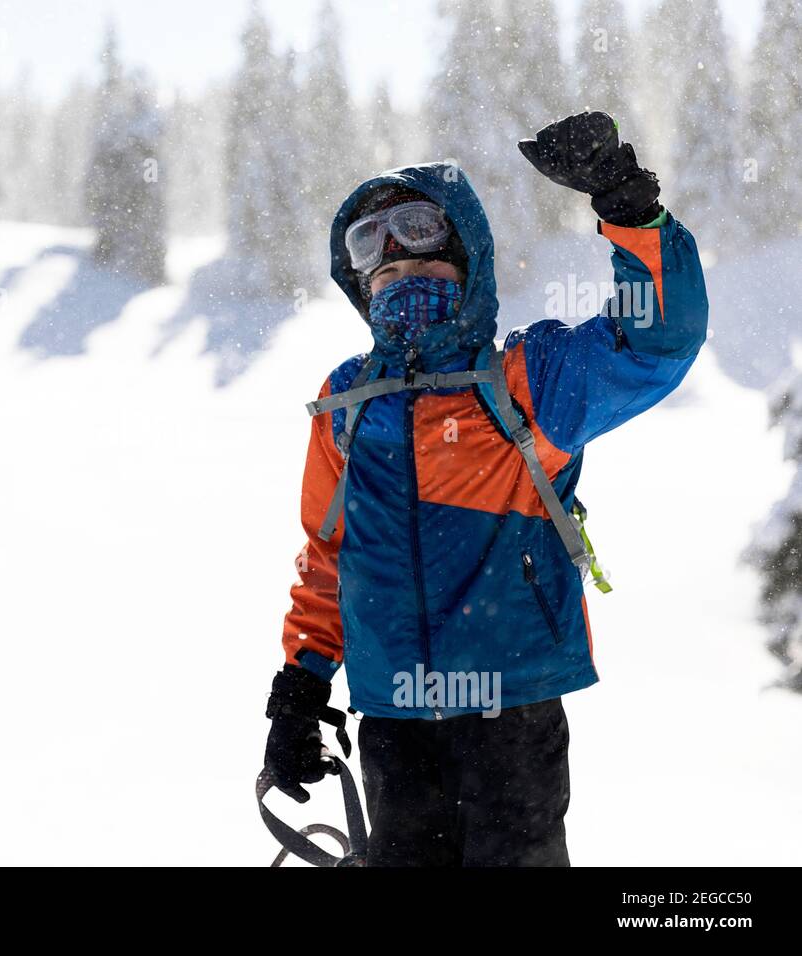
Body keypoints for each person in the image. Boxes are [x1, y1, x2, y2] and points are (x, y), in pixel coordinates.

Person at [262, 111, 709, 866]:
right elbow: (330, 556)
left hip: (512, 714)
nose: (405, 284)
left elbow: (659, 337)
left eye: (427, 268)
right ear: (363, 289)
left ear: (470, 270)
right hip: (393, 721)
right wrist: (301, 686)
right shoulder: (345, 406)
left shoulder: (527, 386)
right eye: (388, 274)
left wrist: (628, 210)